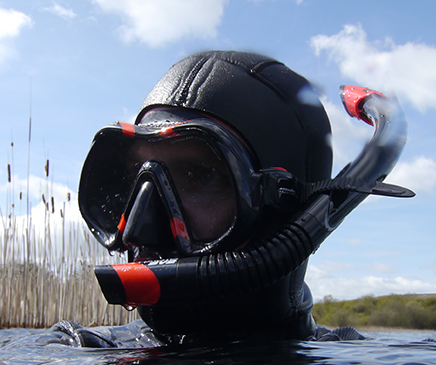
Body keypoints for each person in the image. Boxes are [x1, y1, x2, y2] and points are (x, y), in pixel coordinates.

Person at [69, 50, 412, 345]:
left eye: (203, 176)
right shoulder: (77, 349)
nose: (138, 229)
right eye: (136, 178)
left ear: (292, 213)